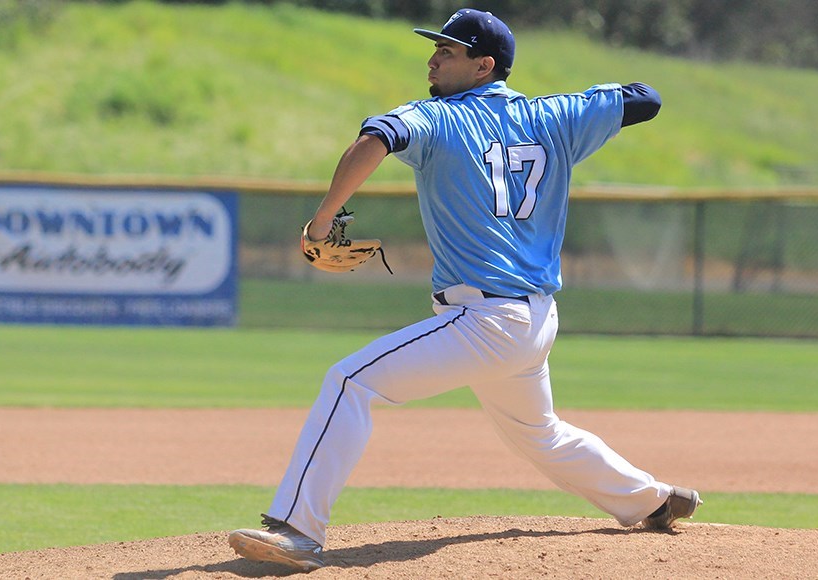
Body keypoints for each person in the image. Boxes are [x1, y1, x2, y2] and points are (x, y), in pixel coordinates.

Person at [229, 8, 701, 573]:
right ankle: (653, 500)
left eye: (447, 52)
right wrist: (566, 108)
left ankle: (298, 530)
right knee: (539, 434)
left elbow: (376, 136)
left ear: (483, 66)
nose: (432, 59)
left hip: (486, 318)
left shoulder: (440, 120)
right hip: (534, 320)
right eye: (435, 49)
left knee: (350, 381)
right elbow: (644, 98)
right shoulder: (554, 116)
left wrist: (322, 220)